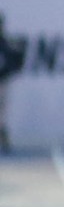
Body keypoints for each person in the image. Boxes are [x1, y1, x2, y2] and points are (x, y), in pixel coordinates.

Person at [0, 13, 21, 154]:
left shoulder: (6, 43)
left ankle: (3, 133)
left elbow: (16, 60)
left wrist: (7, 73)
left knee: (2, 110)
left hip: (2, 81)